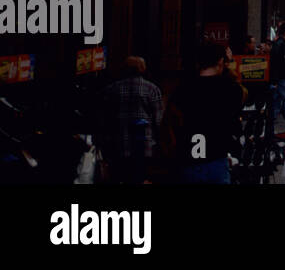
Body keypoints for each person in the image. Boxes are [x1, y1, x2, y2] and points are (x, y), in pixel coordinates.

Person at [163, 42, 244, 184]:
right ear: (221, 61)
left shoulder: (183, 89)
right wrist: (229, 65)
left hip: (188, 159)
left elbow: (171, 122)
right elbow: (241, 97)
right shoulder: (230, 89)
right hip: (216, 158)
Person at [97, 55, 163, 184]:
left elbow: (104, 118)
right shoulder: (152, 89)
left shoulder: (112, 89)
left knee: (120, 178)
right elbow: (158, 119)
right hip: (144, 145)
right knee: (140, 178)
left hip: (118, 144)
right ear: (142, 69)